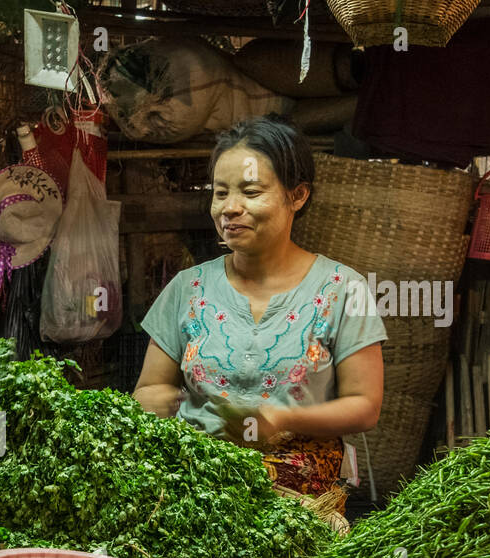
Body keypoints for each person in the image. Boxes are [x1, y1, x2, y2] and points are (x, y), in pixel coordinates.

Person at [134, 115, 386, 499]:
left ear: (297, 196)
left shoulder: (343, 289)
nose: (230, 208)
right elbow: (149, 390)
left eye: (250, 192)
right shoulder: (188, 288)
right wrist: (159, 402)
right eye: (220, 193)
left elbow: (365, 406)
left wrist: (281, 418)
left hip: (300, 497)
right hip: (193, 488)